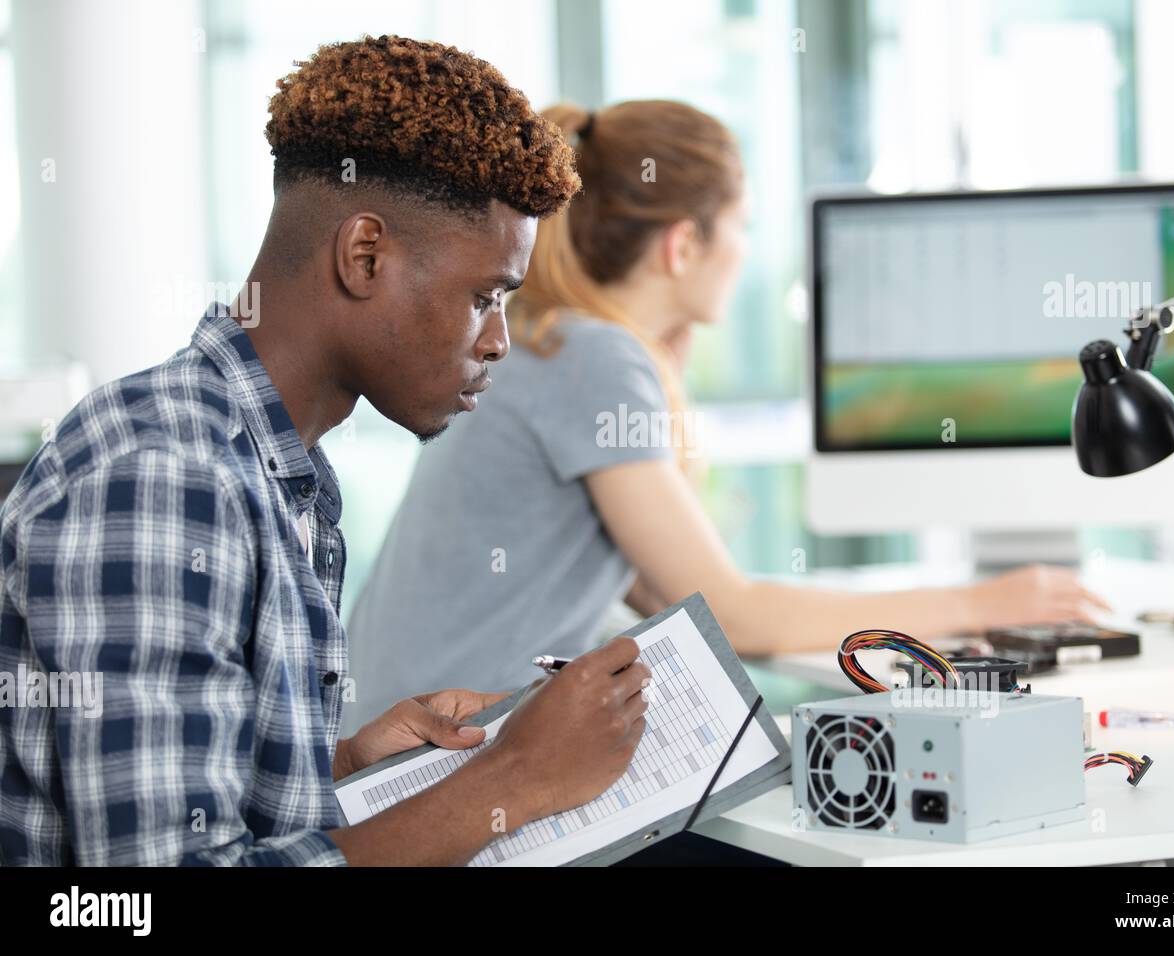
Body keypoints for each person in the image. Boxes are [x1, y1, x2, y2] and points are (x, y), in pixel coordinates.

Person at [0, 36, 650, 867]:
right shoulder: (163, 475)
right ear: (365, 255)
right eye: (484, 297)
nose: (498, 343)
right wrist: (514, 779)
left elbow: (207, 815)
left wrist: (339, 771)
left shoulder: (277, 476)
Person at [344, 99, 1110, 723]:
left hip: (398, 748)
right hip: (434, 773)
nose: (746, 251)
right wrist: (990, 600)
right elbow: (729, 615)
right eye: (741, 225)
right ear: (683, 246)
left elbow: (667, 594)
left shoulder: (556, 340)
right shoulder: (594, 358)